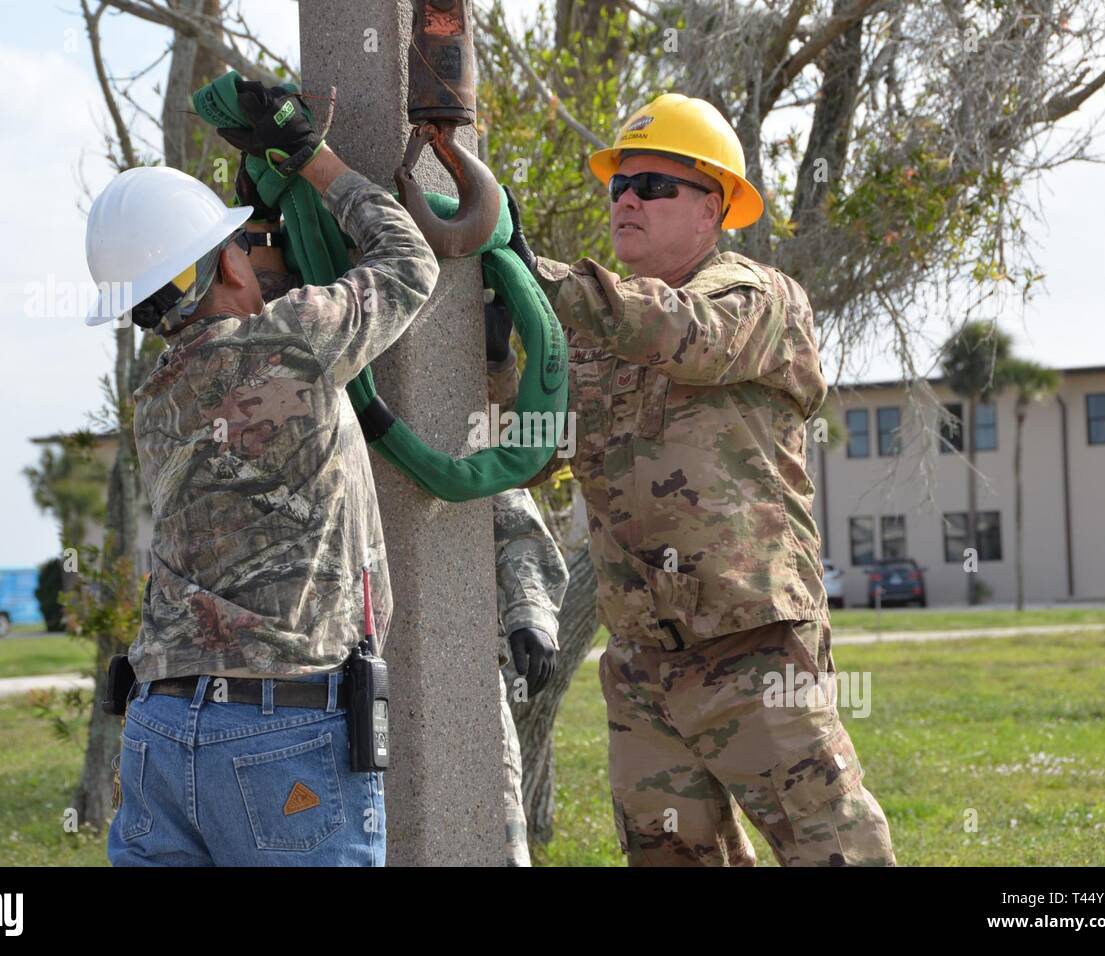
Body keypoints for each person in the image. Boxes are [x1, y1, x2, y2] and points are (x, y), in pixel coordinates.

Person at [493, 93, 895, 866]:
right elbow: (532, 450)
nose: (628, 200)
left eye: (653, 186)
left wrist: (520, 269)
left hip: (753, 649)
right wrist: (492, 353)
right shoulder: (592, 339)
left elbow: (686, 336)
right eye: (619, 187)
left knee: (834, 851)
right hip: (642, 662)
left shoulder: (757, 299)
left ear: (713, 206)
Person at [83, 79, 439, 866]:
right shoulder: (294, 342)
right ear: (231, 270)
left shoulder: (153, 399)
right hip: (282, 739)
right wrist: (315, 162)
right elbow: (410, 260)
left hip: (161, 732)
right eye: (244, 244)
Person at [491, 487, 568, 865]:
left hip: (464, 676)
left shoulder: (470, 429)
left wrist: (529, 612)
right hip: (318, 679)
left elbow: (515, 522)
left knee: (495, 846)